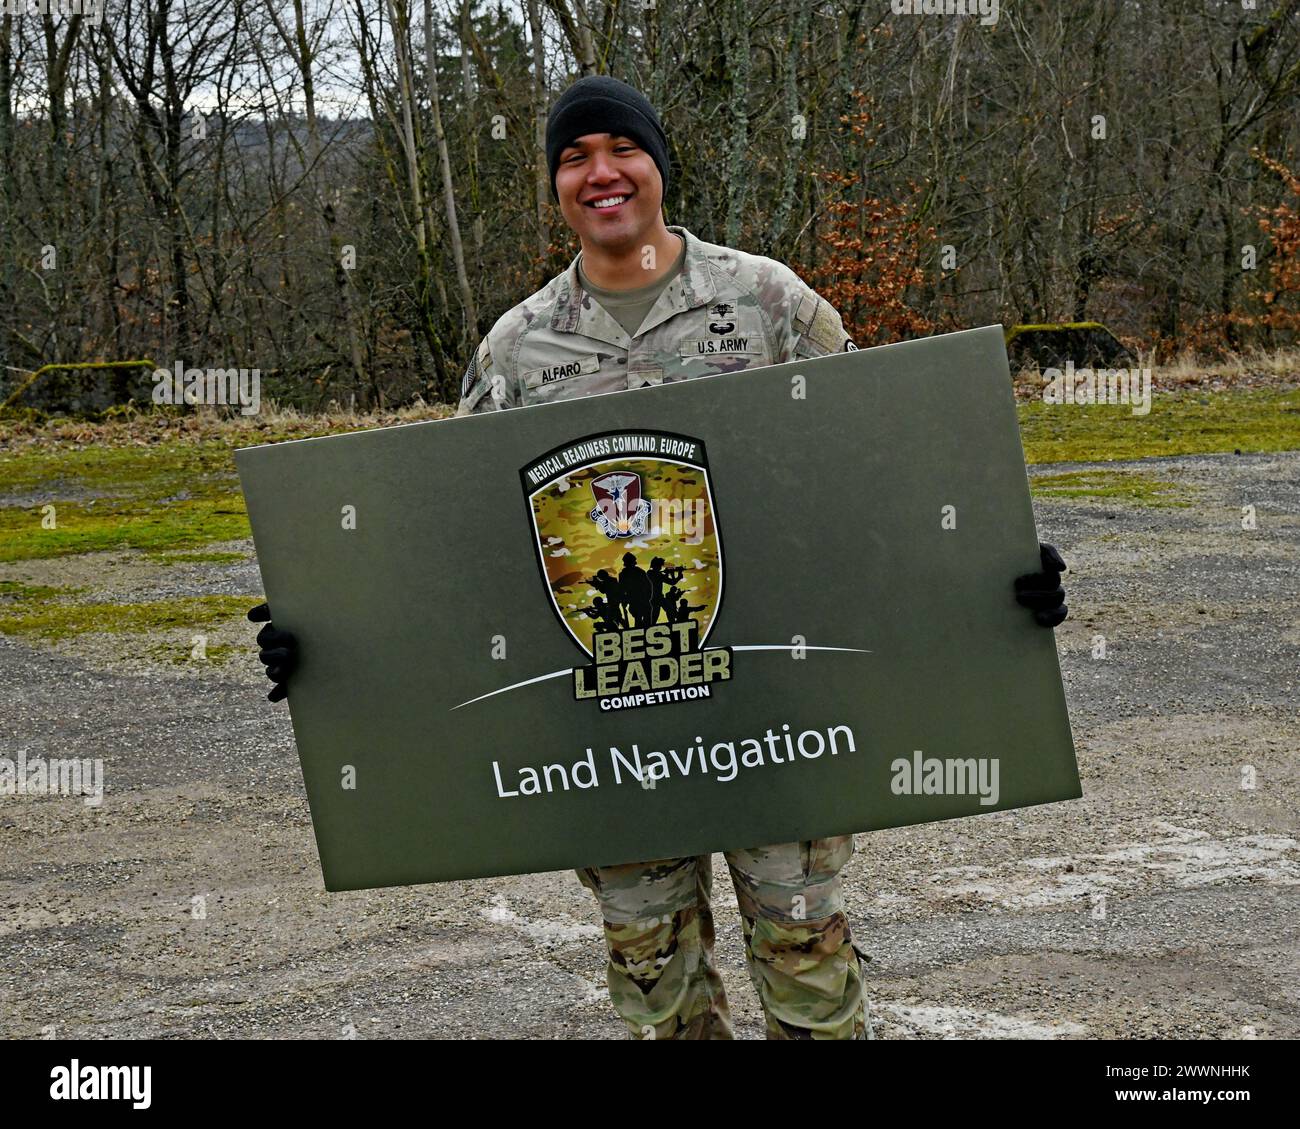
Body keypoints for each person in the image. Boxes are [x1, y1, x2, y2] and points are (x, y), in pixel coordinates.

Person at [249, 75, 1070, 1040]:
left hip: (775, 708)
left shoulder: (767, 303)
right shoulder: (516, 353)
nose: (600, 172)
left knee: (808, 970)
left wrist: (992, 567)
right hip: (607, 726)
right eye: (571, 156)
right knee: (656, 992)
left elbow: (873, 475)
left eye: (620, 149)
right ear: (556, 186)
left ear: (658, 166)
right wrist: (334, 638)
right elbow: (460, 552)